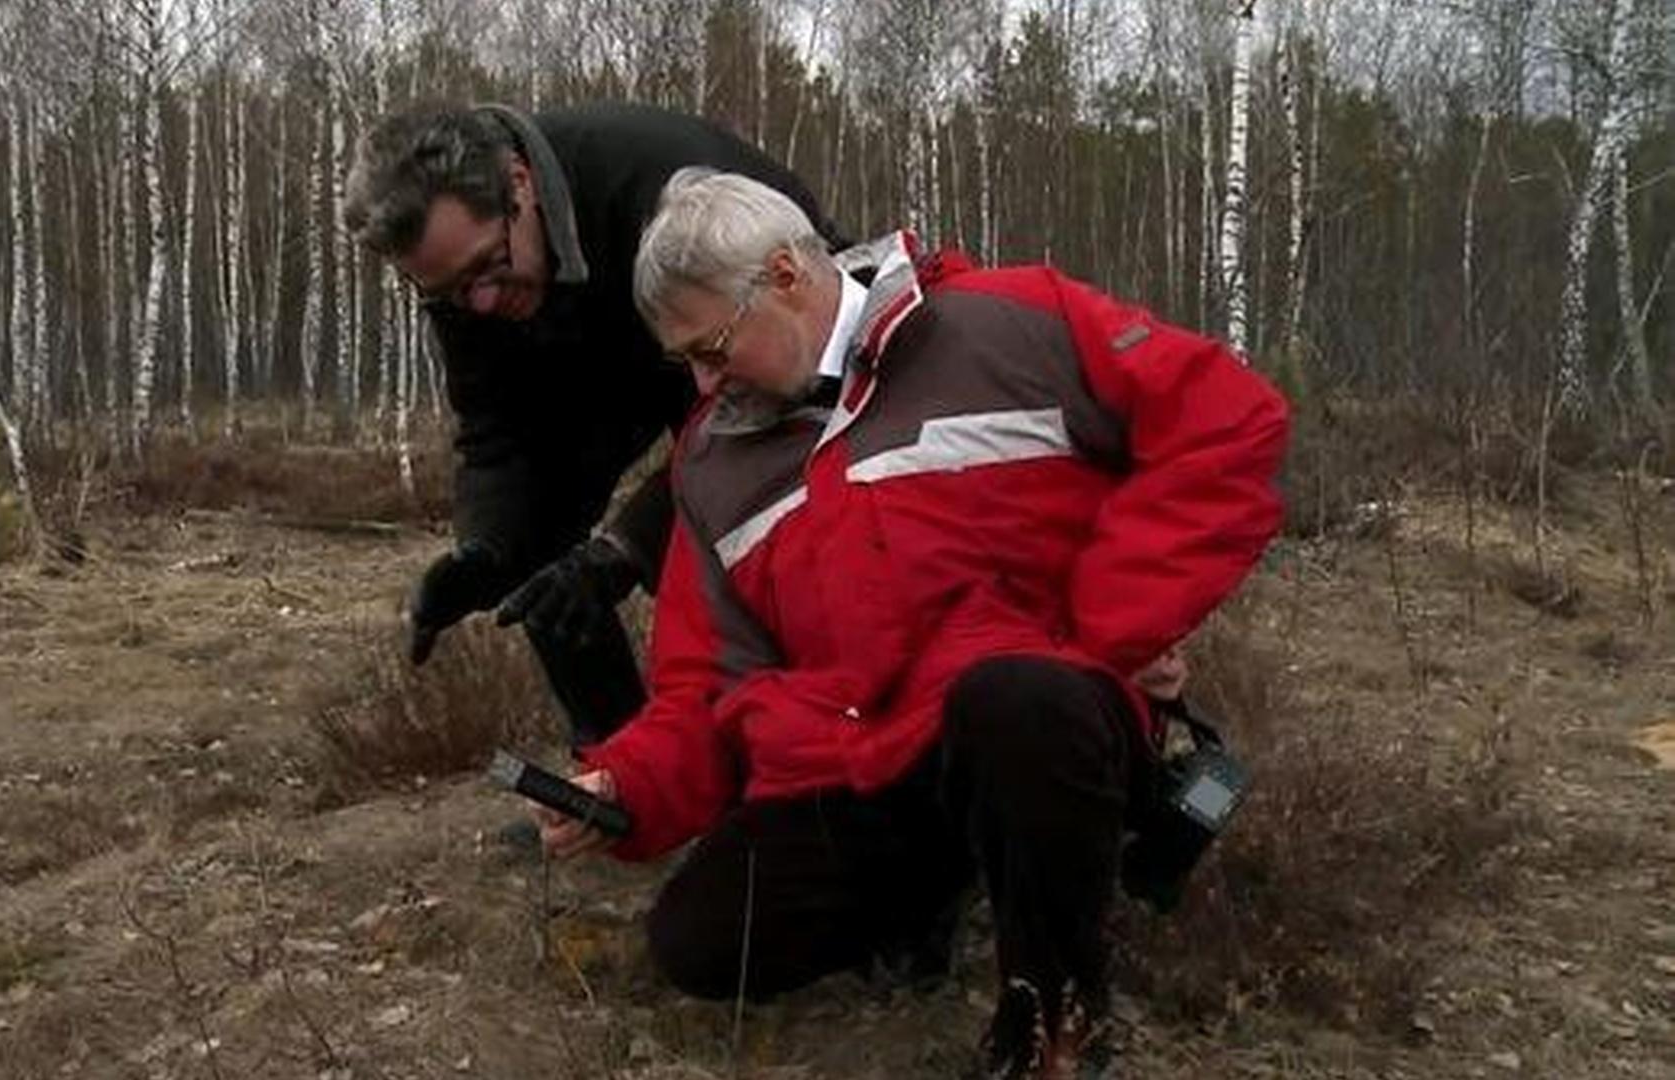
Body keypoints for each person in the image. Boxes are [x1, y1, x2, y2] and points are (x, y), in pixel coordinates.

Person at [531, 170, 1288, 1078]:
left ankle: (1052, 1024)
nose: (703, 381)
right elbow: (706, 682)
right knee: (699, 942)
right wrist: (630, 789)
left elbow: (1227, 424)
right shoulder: (712, 462)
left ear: (785, 275)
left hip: (1040, 716)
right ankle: (952, 884)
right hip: (867, 756)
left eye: (715, 346)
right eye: (684, 360)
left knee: (1018, 702)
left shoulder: (1010, 320)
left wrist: (1102, 632)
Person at [342, 102, 846, 748]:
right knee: (540, 566)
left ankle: (790, 771)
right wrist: (487, 548)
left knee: (743, 553)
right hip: (607, 358)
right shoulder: (466, 270)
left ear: (519, 183)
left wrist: (628, 548)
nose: (483, 303)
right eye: (450, 293)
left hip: (777, 363)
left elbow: (766, 411)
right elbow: (498, 434)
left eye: (488, 267)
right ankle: (616, 780)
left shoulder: (664, 183)